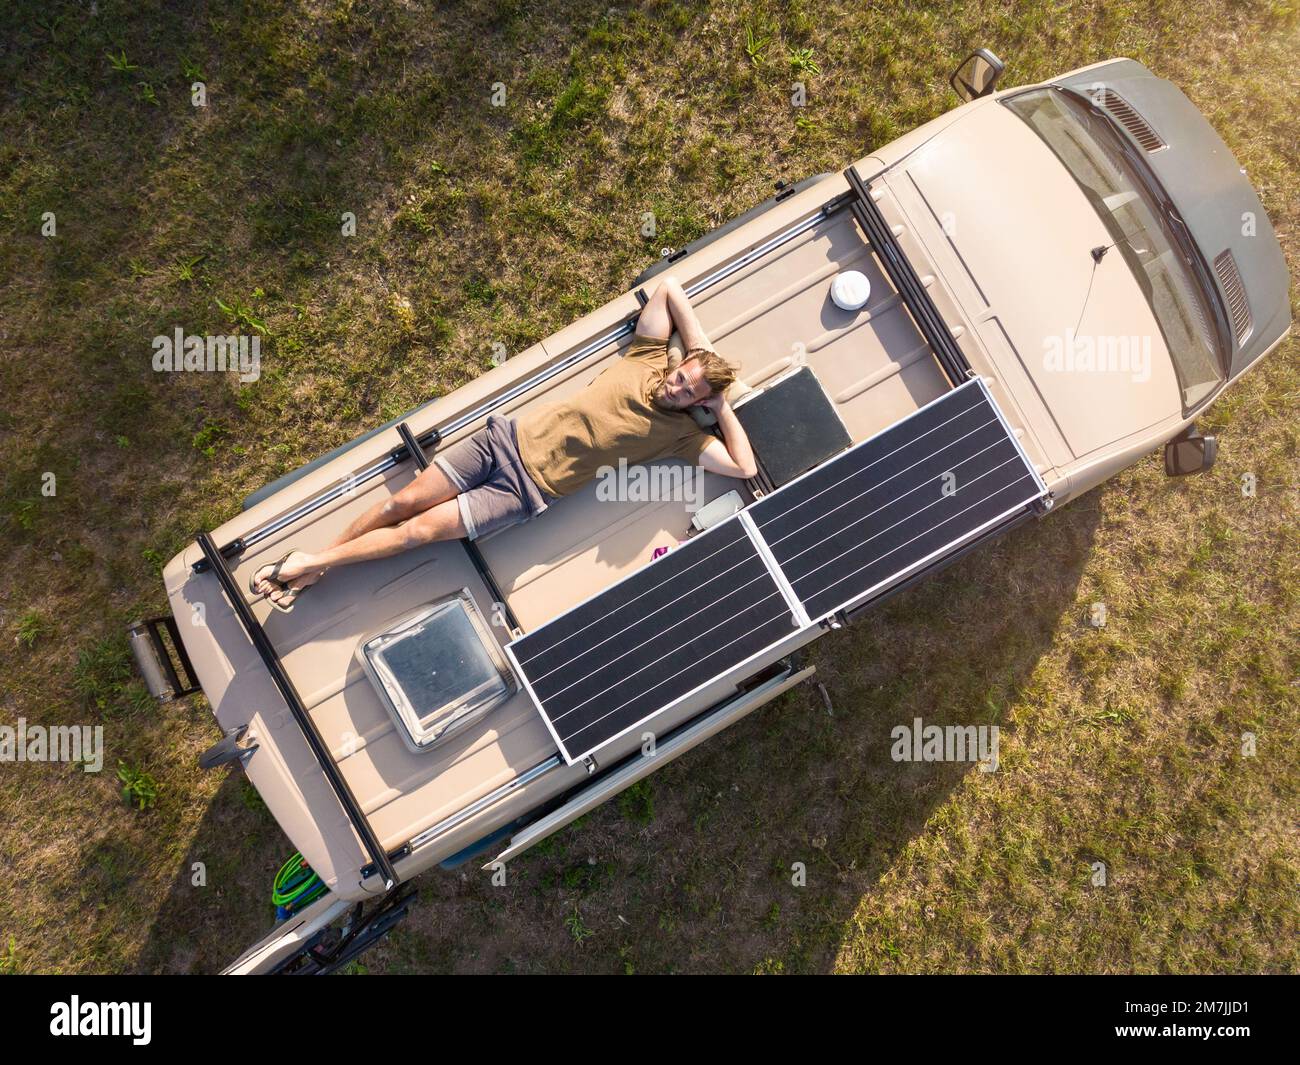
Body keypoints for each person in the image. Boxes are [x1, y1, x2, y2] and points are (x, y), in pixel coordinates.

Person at [252, 275, 757, 610]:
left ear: (699, 401)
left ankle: (308, 563)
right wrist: (702, 352)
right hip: (501, 443)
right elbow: (668, 288)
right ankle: (314, 565)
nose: (679, 387)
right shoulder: (649, 357)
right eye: (684, 376)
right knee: (400, 503)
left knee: (416, 534)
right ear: (679, 364)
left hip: (525, 494)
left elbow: (744, 468)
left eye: (691, 390)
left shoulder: (683, 437)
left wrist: (723, 406)